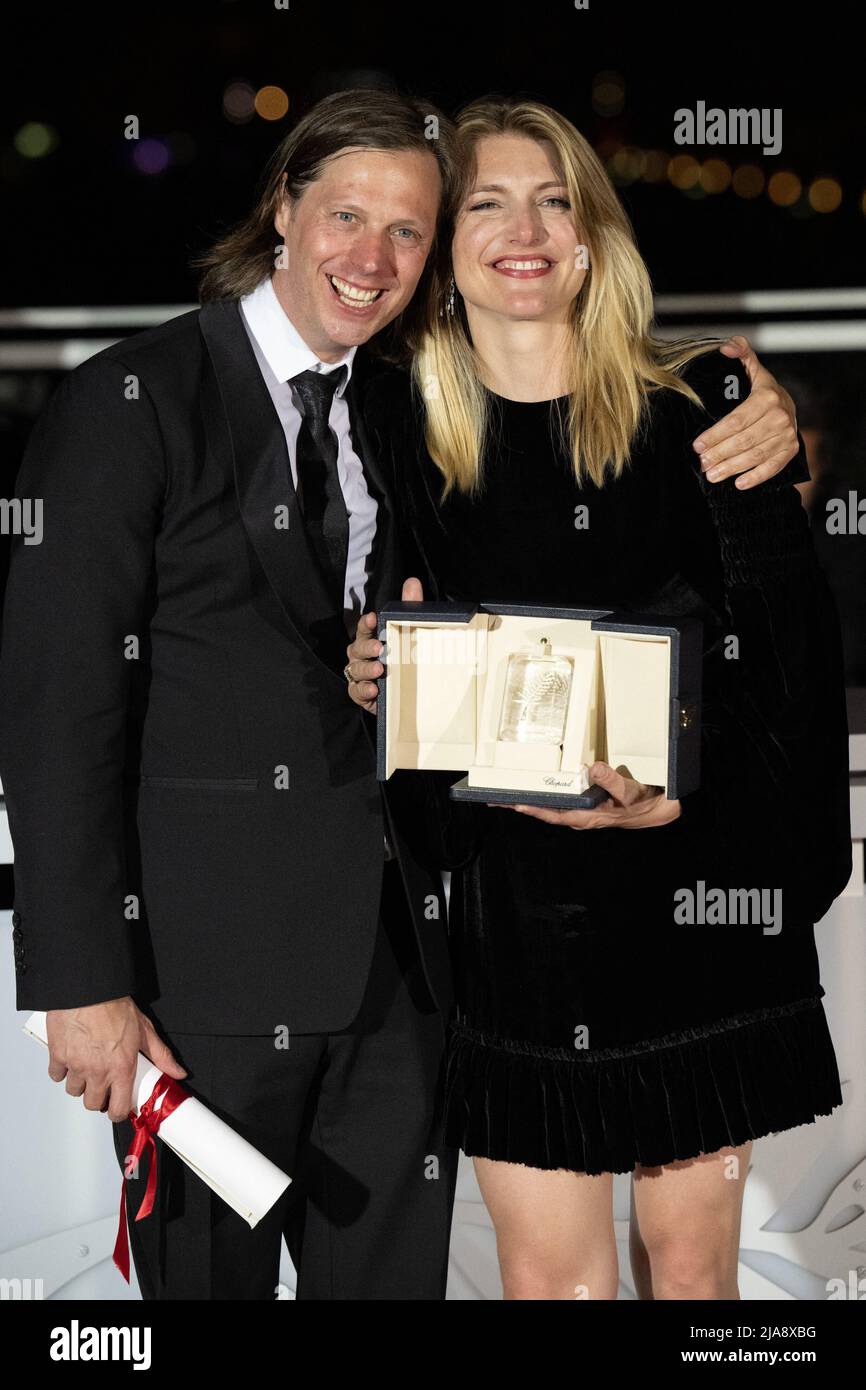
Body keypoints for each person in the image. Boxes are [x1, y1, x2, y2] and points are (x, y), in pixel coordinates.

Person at [1, 86, 803, 1302]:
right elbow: (58, 704)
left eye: (407, 230)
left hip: (413, 982)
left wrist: (768, 409)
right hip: (213, 988)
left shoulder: (393, 407)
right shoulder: (138, 402)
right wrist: (79, 985)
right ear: (283, 209)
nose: (369, 256)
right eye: (345, 216)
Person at [345, 96, 851, 1301]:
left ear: (591, 236)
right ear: (443, 248)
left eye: (553, 199)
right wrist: (370, 671)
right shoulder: (391, 427)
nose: (522, 229)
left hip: (694, 921)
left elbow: (790, 673)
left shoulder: (709, 417)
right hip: (516, 940)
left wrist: (672, 803)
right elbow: (377, 653)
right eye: (483, 203)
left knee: (693, 1281)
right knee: (554, 1289)